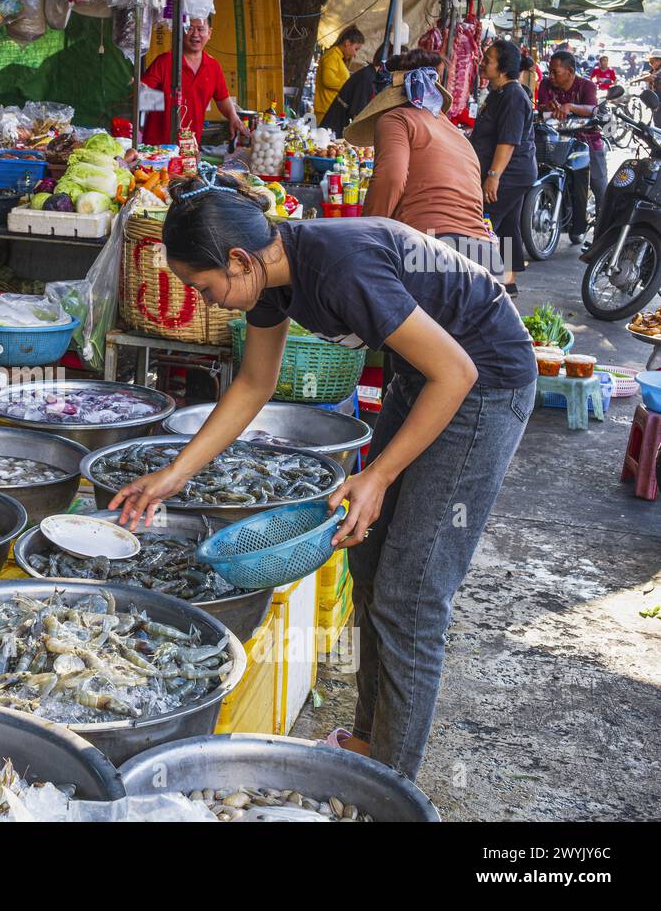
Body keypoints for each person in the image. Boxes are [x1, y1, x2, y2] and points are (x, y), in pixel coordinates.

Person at [108, 168, 536, 780]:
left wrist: (379, 476)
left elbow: (458, 374)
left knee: (411, 595)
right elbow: (255, 385)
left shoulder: (339, 267)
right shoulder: (270, 278)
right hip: (426, 379)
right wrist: (173, 474)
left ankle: (390, 788)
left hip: (484, 384)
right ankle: (370, 743)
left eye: (203, 288)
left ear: (237, 260)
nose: (204, 302)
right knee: (368, 561)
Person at [348, 48, 500, 282]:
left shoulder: (395, 119)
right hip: (487, 257)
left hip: (430, 250)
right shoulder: (455, 133)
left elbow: (391, 178)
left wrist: (365, 236)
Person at [471, 40, 539, 293]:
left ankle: (478, 284)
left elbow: (508, 141)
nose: (482, 62)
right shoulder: (497, 93)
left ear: (502, 67)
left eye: (488, 59)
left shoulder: (513, 95)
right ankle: (507, 283)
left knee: (481, 222)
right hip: (508, 172)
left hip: (509, 173)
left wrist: (493, 176)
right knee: (509, 225)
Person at [141, 16, 245, 146]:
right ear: (181, 32)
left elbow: (222, 98)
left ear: (209, 33)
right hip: (157, 147)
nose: (195, 34)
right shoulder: (165, 61)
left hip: (190, 146)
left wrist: (233, 117)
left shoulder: (213, 66)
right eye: (189, 28)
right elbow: (142, 93)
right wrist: (140, 89)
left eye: (201, 29)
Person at [537, 49, 605, 246]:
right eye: (550, 71)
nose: (551, 76)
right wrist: (547, 107)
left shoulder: (587, 86)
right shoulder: (545, 84)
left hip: (588, 141)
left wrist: (571, 107)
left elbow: (593, 110)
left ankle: (602, 236)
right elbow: (541, 106)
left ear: (570, 71)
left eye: (555, 72)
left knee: (600, 187)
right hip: (557, 140)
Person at [318, 42, 388, 135]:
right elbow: (358, 115)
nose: (355, 54)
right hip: (334, 129)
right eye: (356, 49)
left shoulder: (370, 75)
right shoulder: (367, 78)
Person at [313, 27, 366, 124]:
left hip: (331, 108)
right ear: (347, 43)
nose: (355, 54)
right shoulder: (332, 56)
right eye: (356, 49)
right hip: (326, 109)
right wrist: (349, 85)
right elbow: (328, 80)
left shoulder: (337, 57)